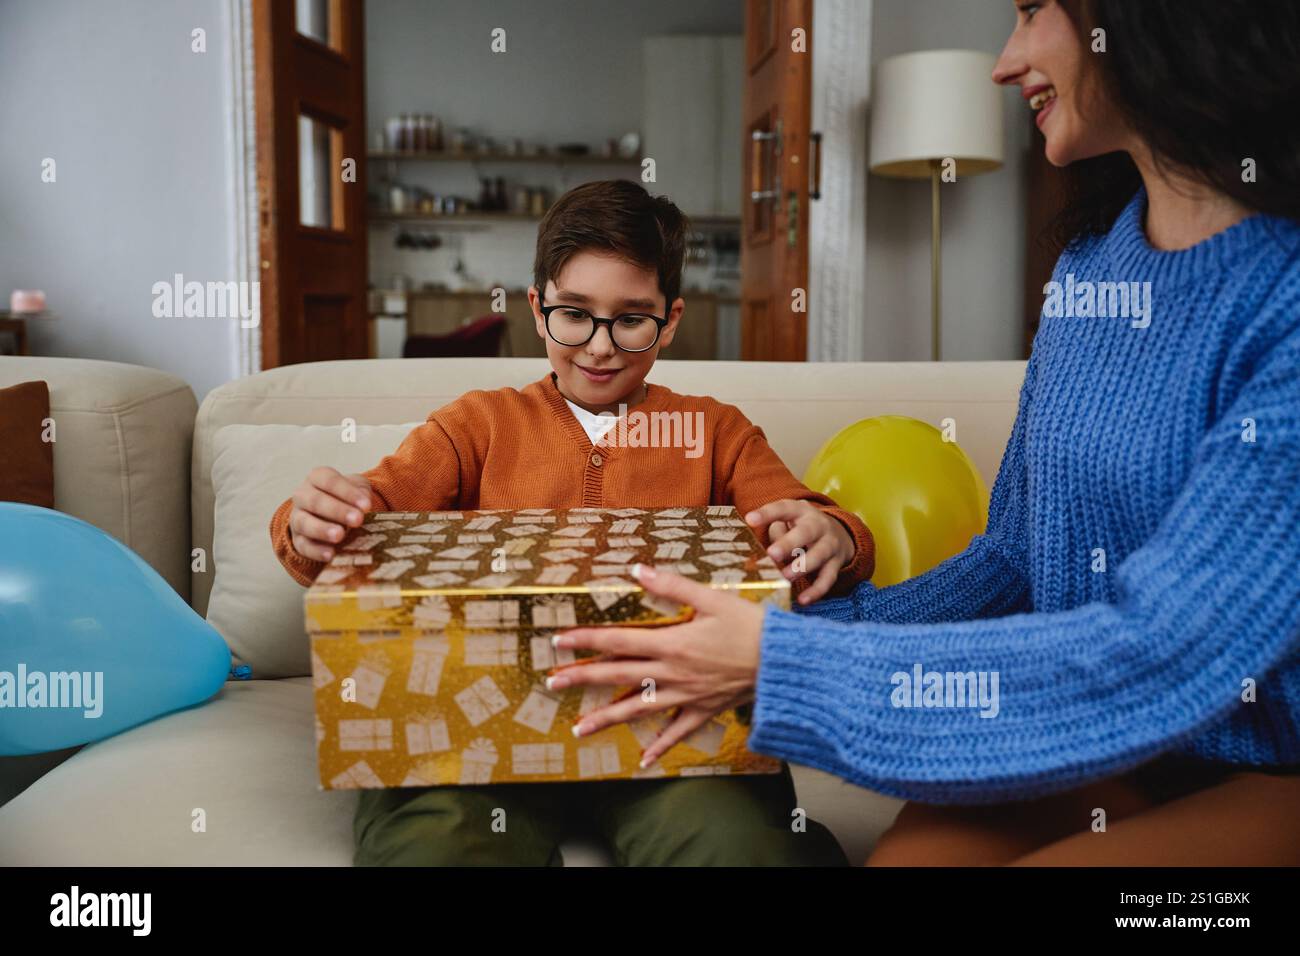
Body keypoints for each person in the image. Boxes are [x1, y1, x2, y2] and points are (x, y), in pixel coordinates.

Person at [550, 0, 1300, 865]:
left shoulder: (1278, 298)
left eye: (1030, 13)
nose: (1004, 61)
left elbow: (1164, 652)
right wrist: (791, 632)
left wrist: (780, 663)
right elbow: (1013, 560)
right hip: (1102, 747)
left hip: (1267, 772)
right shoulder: (1090, 269)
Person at [268, 179, 875, 865]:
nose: (599, 346)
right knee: (433, 844)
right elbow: (364, 515)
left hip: (668, 720)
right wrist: (309, 521)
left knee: (739, 847)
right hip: (481, 722)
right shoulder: (476, 424)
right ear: (537, 307)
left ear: (670, 320)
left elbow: (813, 522)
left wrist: (834, 533)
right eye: (575, 314)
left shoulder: (717, 432)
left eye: (632, 319)